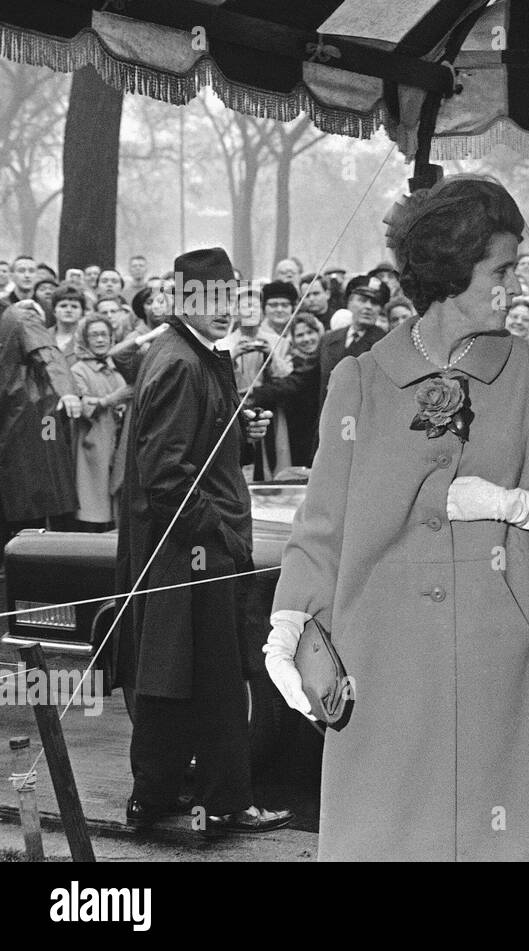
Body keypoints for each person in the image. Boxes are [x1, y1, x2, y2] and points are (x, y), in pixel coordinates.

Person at [264, 175, 529, 861]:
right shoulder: (360, 380)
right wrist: (290, 620)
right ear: (451, 271)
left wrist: (518, 505)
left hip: (502, 663)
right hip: (382, 665)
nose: (515, 287)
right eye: (501, 271)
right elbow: (323, 520)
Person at [114, 246, 289, 834]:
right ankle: (228, 801)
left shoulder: (189, 353)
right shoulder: (182, 363)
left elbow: (190, 448)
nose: (223, 308)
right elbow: (166, 474)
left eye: (230, 296)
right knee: (216, 680)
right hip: (191, 548)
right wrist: (219, 533)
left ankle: (155, 797)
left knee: (171, 673)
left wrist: (240, 430)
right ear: (183, 299)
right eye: (209, 297)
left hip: (181, 546)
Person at [0, 298, 81, 545]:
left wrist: (66, 390)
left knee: (29, 495)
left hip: (24, 419)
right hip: (21, 417)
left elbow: (48, 354)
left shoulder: (20, 317)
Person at [69, 316, 130, 530]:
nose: (100, 340)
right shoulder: (78, 370)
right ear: (85, 339)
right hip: (93, 442)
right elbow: (81, 404)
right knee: (94, 499)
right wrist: (111, 400)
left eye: (104, 334)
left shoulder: (117, 367)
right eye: (94, 335)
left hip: (117, 440)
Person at [250, 313, 324, 471]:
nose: (306, 339)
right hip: (296, 431)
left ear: (319, 333)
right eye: (300, 335)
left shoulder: (322, 359)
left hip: (314, 430)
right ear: (293, 340)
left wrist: (253, 394)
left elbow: (294, 383)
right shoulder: (292, 361)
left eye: (310, 332)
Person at [317, 273, 389, 403]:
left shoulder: (385, 344)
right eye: (362, 300)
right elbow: (309, 381)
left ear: (380, 309)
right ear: (349, 303)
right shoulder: (328, 339)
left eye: (374, 303)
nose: (368, 307)